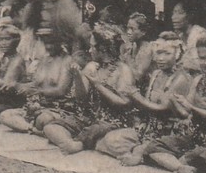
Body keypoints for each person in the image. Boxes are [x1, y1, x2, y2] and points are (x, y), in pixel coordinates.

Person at [138, 34, 206, 173]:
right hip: (197, 134)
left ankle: (181, 164)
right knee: (155, 145)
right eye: (202, 58)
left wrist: (193, 107)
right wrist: (174, 101)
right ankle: (181, 167)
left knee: (203, 154)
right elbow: (186, 112)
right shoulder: (199, 80)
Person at [39, 24, 134, 154]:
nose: (89, 51)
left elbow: (124, 103)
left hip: (112, 120)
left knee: (98, 130)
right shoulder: (91, 66)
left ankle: (80, 143)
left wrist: (97, 85)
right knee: (51, 127)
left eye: (92, 47)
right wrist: (77, 77)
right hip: (89, 118)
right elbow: (80, 98)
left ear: (103, 49)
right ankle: (72, 143)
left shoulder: (123, 70)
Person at [102, 33, 192, 165]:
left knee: (144, 147)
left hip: (169, 131)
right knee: (110, 139)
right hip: (150, 127)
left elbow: (162, 109)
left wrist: (136, 96)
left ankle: (142, 153)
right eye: (158, 53)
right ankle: (142, 152)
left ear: (177, 55)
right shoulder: (156, 74)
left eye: (167, 54)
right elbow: (147, 103)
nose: (161, 58)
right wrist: (130, 97)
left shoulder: (181, 78)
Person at [0, 28, 78, 134]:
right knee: (5, 116)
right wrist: (16, 85)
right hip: (40, 106)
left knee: (44, 119)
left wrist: (38, 91)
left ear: (60, 43)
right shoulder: (44, 59)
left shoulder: (67, 61)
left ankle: (35, 127)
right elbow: (35, 83)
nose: (48, 46)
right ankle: (33, 129)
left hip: (58, 108)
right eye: (46, 43)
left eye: (52, 43)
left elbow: (60, 90)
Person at [171, 0, 206, 75]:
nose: (173, 17)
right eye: (173, 13)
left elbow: (204, 63)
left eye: (180, 13)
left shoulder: (200, 34)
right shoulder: (180, 36)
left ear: (190, 15)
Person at [121, 12, 154, 81]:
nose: (128, 32)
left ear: (143, 32)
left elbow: (138, 76)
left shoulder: (148, 49)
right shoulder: (133, 46)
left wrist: (127, 58)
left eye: (132, 29)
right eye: (128, 28)